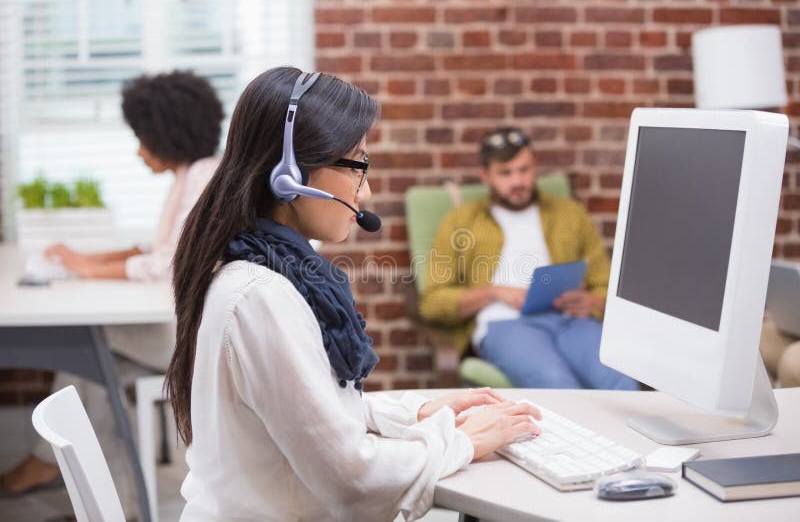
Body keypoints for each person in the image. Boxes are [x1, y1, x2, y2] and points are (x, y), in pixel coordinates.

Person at [164, 67, 541, 521]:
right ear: (289, 173)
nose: (366, 190)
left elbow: (313, 415)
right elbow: (352, 481)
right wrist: (461, 439)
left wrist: (419, 413)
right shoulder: (260, 296)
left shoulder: (260, 270)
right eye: (356, 165)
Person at [0, 71, 224, 515]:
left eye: (142, 137)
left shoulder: (203, 177)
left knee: (82, 346)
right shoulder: (193, 175)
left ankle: (58, 470)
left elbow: (169, 265)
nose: (138, 150)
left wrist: (87, 268)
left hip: (183, 338)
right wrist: (99, 258)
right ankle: (115, 502)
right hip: (178, 328)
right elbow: (166, 247)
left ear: (166, 133)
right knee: (88, 366)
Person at [419, 126, 638, 390]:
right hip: (505, 324)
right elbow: (432, 302)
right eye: (505, 173)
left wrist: (590, 300)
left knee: (621, 380)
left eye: (524, 170)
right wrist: (494, 292)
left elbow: (605, 284)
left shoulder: (570, 213)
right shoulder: (461, 221)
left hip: (572, 320)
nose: (517, 182)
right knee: (557, 385)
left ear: (536, 167)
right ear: (485, 176)